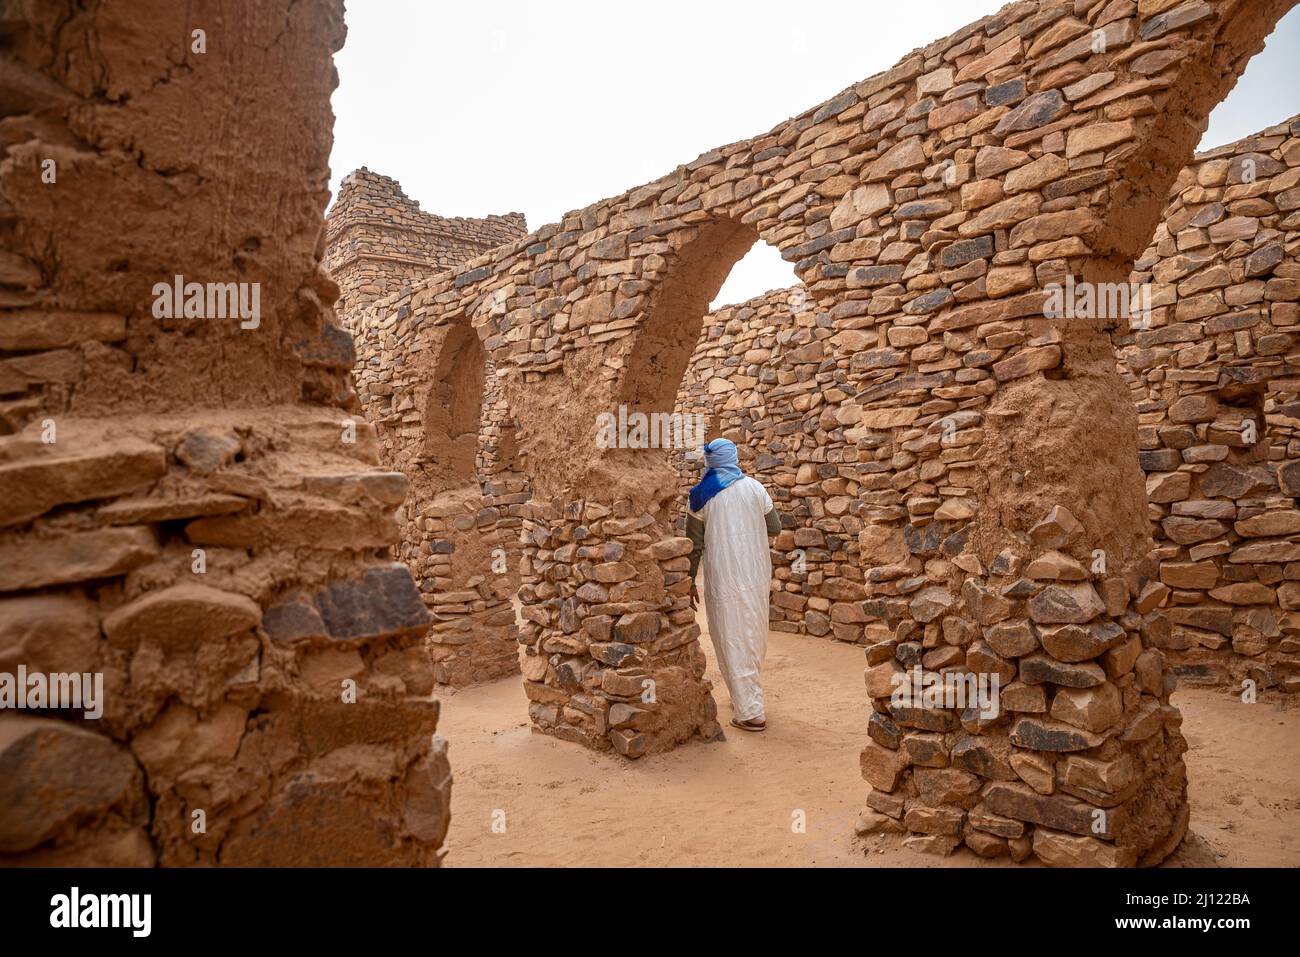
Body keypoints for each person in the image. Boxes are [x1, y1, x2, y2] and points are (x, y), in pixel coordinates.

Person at [686, 438, 781, 732]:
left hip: (724, 575)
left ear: (710, 461)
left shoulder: (700, 495)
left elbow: (694, 545)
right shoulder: (755, 488)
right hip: (755, 572)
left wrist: (689, 580)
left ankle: (751, 712)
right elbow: (775, 526)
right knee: (751, 631)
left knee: (729, 635)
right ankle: (743, 697)